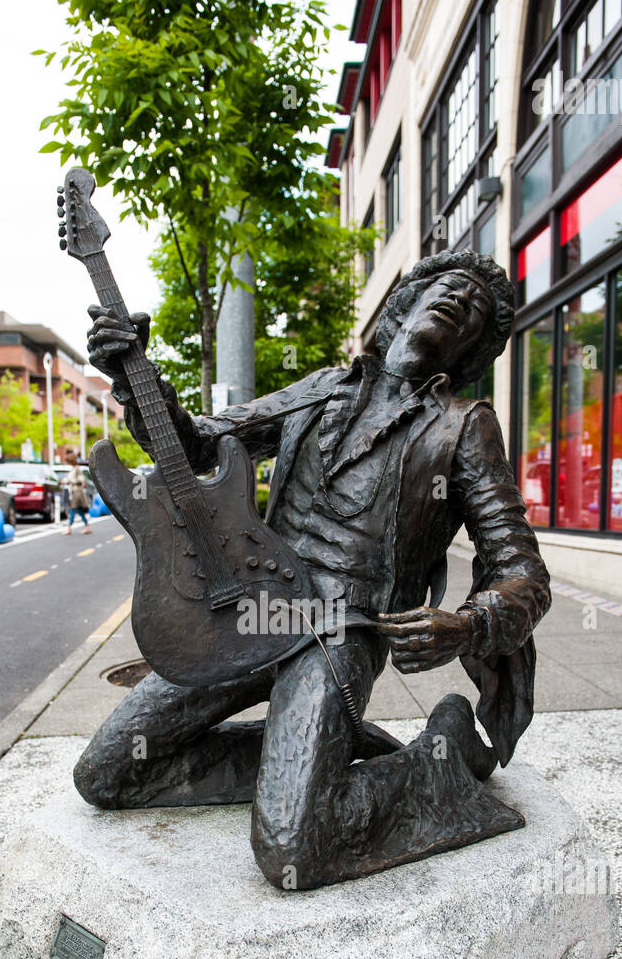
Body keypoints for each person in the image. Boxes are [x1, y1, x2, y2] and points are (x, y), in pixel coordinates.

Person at [74, 250, 551, 890]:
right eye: (449, 288)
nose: (460, 303)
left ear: (470, 349)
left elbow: (522, 569)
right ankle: (315, 760)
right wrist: (136, 376)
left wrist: (466, 626)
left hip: (340, 630)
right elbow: (195, 443)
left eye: (475, 311)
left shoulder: (464, 428)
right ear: (404, 303)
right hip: (248, 606)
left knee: (294, 849)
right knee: (107, 773)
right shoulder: (319, 389)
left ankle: (439, 756)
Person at [62, 460, 91, 535]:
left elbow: (81, 480)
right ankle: (87, 527)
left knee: (73, 509)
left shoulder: (77, 469)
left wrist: (69, 480)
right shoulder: (73, 469)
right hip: (74, 492)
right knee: (79, 511)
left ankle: (69, 528)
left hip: (77, 492)